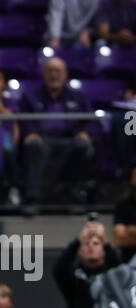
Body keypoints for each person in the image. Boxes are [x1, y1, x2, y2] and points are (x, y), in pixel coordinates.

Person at [20, 57, 96, 211]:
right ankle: (32, 200)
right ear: (43, 74)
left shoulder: (78, 97)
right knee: (33, 146)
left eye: (58, 71)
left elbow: (92, 121)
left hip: (70, 140)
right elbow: (22, 120)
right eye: (50, 71)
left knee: (83, 146)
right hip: (42, 140)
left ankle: (76, 199)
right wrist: (30, 133)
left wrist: (85, 133)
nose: (54, 75)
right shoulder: (31, 96)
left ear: (65, 74)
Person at [53, 218, 121, 308]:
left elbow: (121, 271)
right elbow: (59, 269)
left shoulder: (112, 274)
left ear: (103, 251)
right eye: (86, 244)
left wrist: (105, 240)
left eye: (96, 244)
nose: (91, 247)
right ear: (79, 251)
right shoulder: (74, 277)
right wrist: (78, 240)